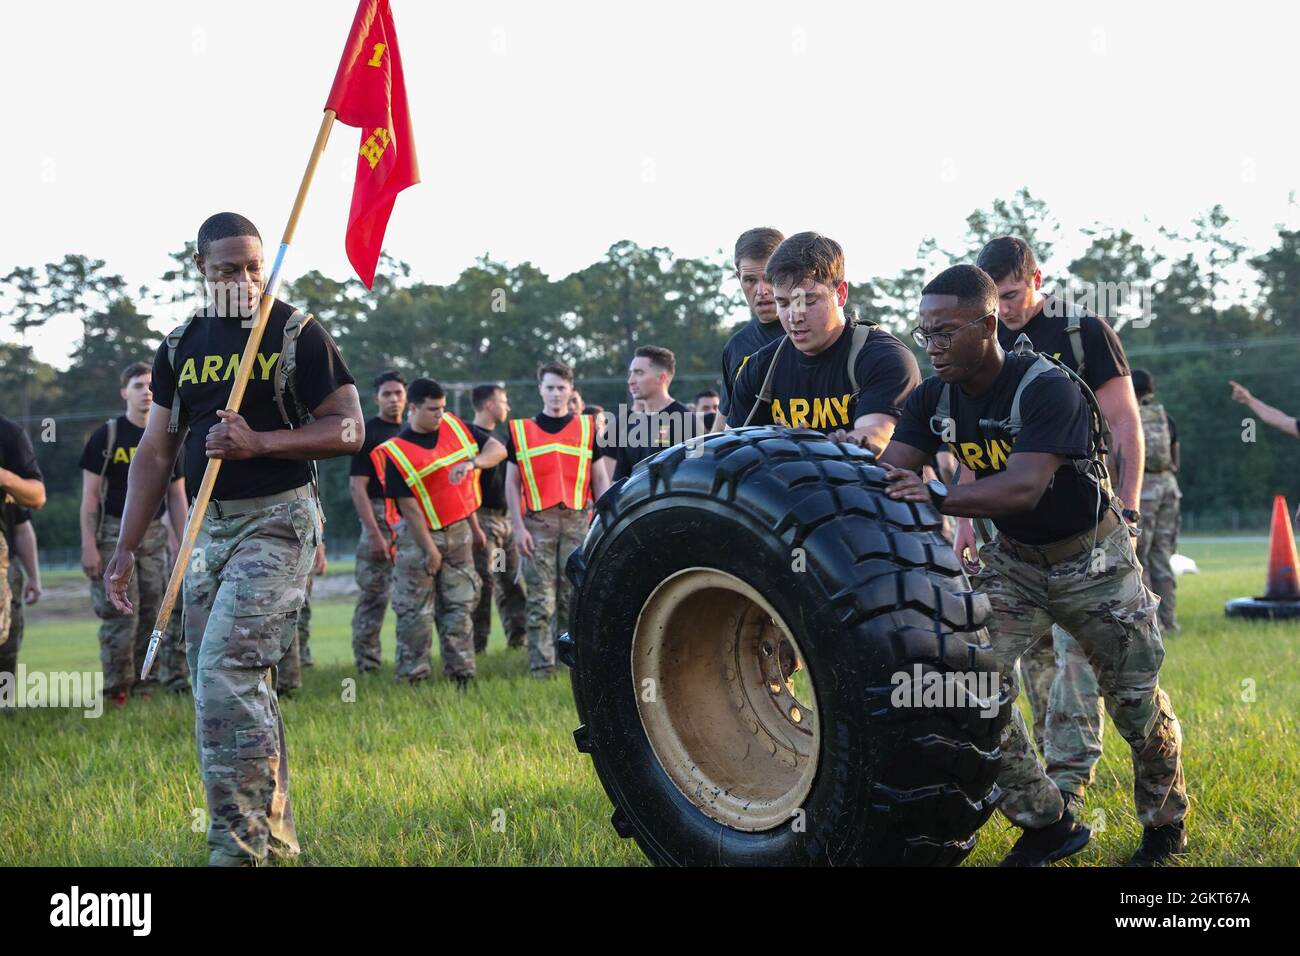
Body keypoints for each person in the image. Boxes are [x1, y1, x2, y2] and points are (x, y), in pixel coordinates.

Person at [879, 264, 1188, 866]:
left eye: (946, 331)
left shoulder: (1046, 386)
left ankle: (1164, 821)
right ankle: (1047, 821)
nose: (933, 346)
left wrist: (938, 496)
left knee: (1135, 703)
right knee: (967, 685)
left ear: (988, 324)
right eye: (924, 334)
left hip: (1092, 560)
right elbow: (889, 470)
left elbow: (1023, 488)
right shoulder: (930, 396)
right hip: (1013, 561)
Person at [105, 211, 363, 867]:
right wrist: (127, 546)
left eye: (253, 266)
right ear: (200, 269)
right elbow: (155, 456)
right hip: (206, 533)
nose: (244, 280)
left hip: (278, 522)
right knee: (224, 682)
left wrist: (261, 442)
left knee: (226, 673)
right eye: (227, 269)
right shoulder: (178, 345)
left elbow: (349, 429)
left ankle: (238, 849)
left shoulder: (295, 333)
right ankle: (275, 841)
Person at [970, 235, 1142, 805]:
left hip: (1086, 529)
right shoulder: (981, 340)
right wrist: (967, 522)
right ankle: (1049, 773)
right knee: (1032, 661)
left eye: (1014, 294)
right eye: (995, 299)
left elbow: (1123, 424)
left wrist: (1130, 505)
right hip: (1013, 538)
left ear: (1037, 279)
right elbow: (971, 437)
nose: (1006, 309)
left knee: (1078, 656)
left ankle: (1069, 781)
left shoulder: (1080, 333)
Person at [726, 232, 920, 455]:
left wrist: (799, 446)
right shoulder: (761, 368)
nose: (794, 316)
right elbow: (730, 450)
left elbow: (876, 437)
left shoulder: (884, 357)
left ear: (841, 293)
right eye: (783, 303)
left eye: (808, 301)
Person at [372, 377, 505, 687]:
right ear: (414, 408)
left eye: (443, 408)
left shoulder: (455, 427)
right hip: (418, 539)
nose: (440, 415)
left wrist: (473, 464)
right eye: (433, 409)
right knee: (415, 613)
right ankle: (413, 678)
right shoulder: (396, 452)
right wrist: (430, 551)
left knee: (459, 606)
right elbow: (410, 508)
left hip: (459, 532)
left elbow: (497, 449)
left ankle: (462, 675)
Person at [79, 362, 189, 705]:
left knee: (155, 612)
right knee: (119, 614)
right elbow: (90, 497)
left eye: (152, 386)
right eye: (139, 385)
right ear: (124, 392)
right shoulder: (107, 436)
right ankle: (117, 690)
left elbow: (176, 494)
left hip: (156, 536)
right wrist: (89, 546)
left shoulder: (168, 436)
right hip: (113, 533)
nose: (147, 392)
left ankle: (147, 686)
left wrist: (181, 541)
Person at [505, 361, 611, 677]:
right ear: (540, 389)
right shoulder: (520, 431)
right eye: (549, 387)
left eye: (561, 388)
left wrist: (601, 520)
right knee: (540, 599)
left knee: (573, 597)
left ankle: (571, 667)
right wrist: (518, 526)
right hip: (537, 523)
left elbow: (600, 479)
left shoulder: (586, 428)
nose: (555, 394)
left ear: (570, 390)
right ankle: (541, 668)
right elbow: (511, 482)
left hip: (578, 521)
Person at [349, 370, 407, 672]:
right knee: (374, 596)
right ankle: (367, 667)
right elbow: (357, 487)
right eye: (387, 394)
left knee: (411, 597)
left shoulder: (413, 432)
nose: (394, 399)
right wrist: (373, 533)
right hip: (379, 516)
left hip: (411, 520)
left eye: (399, 393)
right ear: (377, 399)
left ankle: (410, 664)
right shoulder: (367, 433)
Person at [469, 384, 527, 653]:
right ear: (490, 405)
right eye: (504, 402)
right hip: (483, 520)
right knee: (484, 583)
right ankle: (476, 647)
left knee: (510, 580)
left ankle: (518, 641)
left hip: (506, 522)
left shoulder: (504, 438)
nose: (508, 407)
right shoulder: (471, 437)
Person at [716, 227, 786, 429]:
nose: (761, 291)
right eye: (750, 280)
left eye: (769, 278)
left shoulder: (814, 334)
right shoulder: (735, 346)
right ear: (739, 278)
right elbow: (724, 424)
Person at [600, 346, 692, 484]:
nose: (630, 380)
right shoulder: (630, 424)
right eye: (631, 373)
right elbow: (619, 484)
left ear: (661, 378)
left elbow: (693, 478)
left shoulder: (685, 420)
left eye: (639, 373)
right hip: (637, 505)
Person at [1133, 370, 1181, 634]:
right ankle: (1171, 622)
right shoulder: (1165, 418)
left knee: (1140, 557)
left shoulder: (1128, 417)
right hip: (1169, 487)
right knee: (1162, 556)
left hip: (1144, 488)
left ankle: (1154, 624)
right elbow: (1176, 461)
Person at [0, 414, 46, 661]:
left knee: (5, 648)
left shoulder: (9, 433)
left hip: (4, 565)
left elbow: (36, 498)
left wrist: (5, 477)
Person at [1, 504, 40, 713]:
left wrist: (34, 577)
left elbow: (22, 528)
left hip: (6, 572)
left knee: (8, 644)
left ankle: (4, 707)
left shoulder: (8, 480)